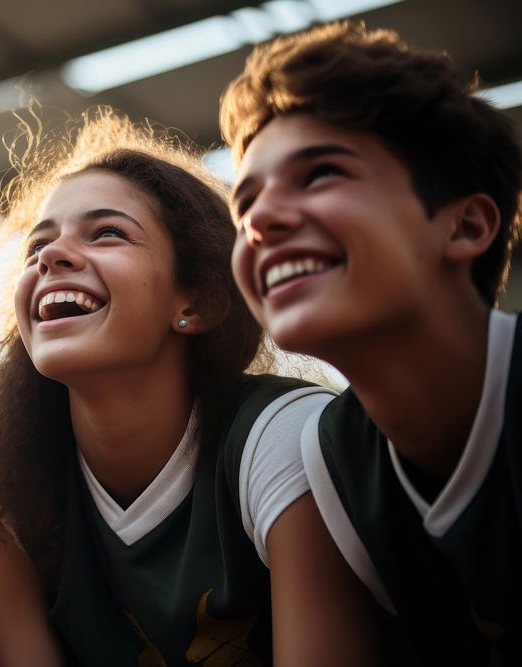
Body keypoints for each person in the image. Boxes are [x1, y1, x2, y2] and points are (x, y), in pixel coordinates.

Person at [0, 107, 380, 666]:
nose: (49, 256)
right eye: (36, 247)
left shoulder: (285, 438)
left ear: (195, 303)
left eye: (108, 233)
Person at [221, 20, 521, 664]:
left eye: (321, 174)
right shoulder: (334, 460)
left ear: (466, 226)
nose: (261, 220)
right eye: (244, 205)